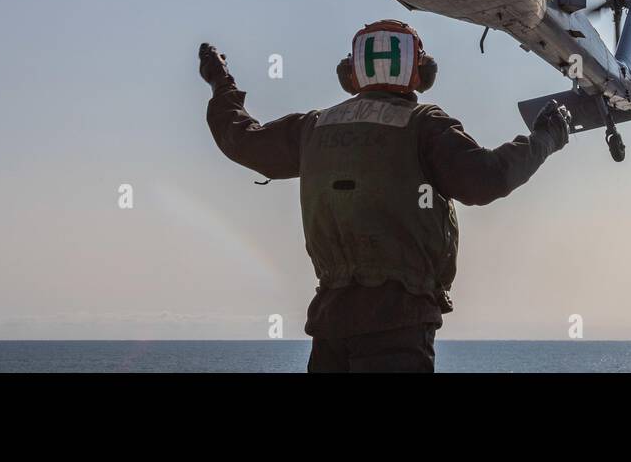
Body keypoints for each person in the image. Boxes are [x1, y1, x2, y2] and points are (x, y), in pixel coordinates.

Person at [199, 19, 571, 373]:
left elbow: (241, 140)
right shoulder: (424, 124)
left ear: (350, 73)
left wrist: (221, 82)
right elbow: (487, 179)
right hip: (400, 320)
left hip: (330, 321)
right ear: (422, 74)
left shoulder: (314, 127)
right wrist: (546, 138)